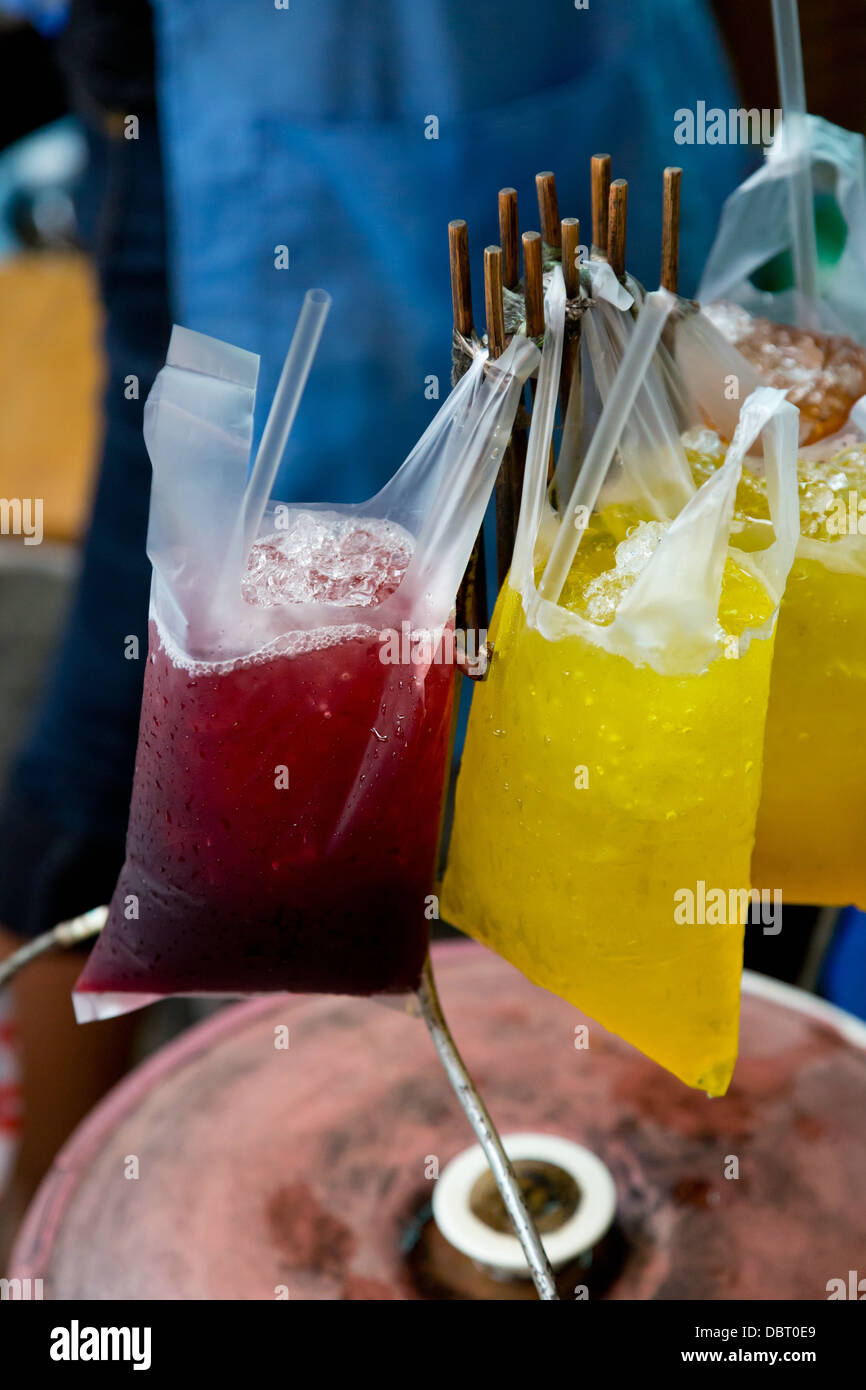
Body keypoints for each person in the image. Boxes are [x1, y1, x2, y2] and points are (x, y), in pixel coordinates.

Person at [0, 0, 749, 1220]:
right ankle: (50, 1210)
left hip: (559, 62)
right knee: (152, 674)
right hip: (241, 91)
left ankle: (571, 1131)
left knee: (605, 587)